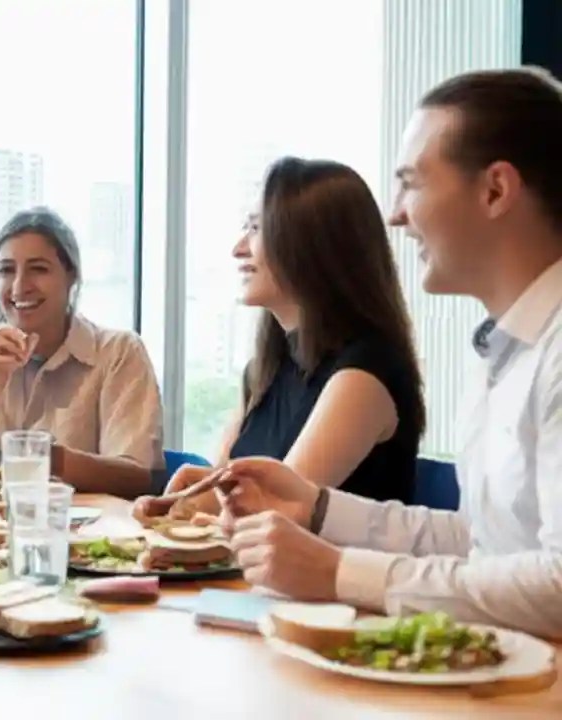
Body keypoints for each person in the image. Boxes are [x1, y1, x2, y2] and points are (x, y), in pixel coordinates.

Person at [217, 67, 562, 640]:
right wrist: (318, 509)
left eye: (411, 183)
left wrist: (342, 572)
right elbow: (484, 543)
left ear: (496, 190)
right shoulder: (501, 352)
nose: (396, 214)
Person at [135, 158, 427, 521]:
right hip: (254, 575)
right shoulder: (265, 369)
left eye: (256, 228)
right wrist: (174, 505)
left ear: (310, 245)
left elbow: (275, 512)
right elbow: (212, 500)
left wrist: (199, 504)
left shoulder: (365, 373)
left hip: (327, 577)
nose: (239, 248)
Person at [0, 207, 163, 498]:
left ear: (71, 277)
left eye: (38, 269)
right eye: (6, 270)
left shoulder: (118, 352)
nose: (19, 287)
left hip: (81, 531)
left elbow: (138, 479)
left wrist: (40, 457)